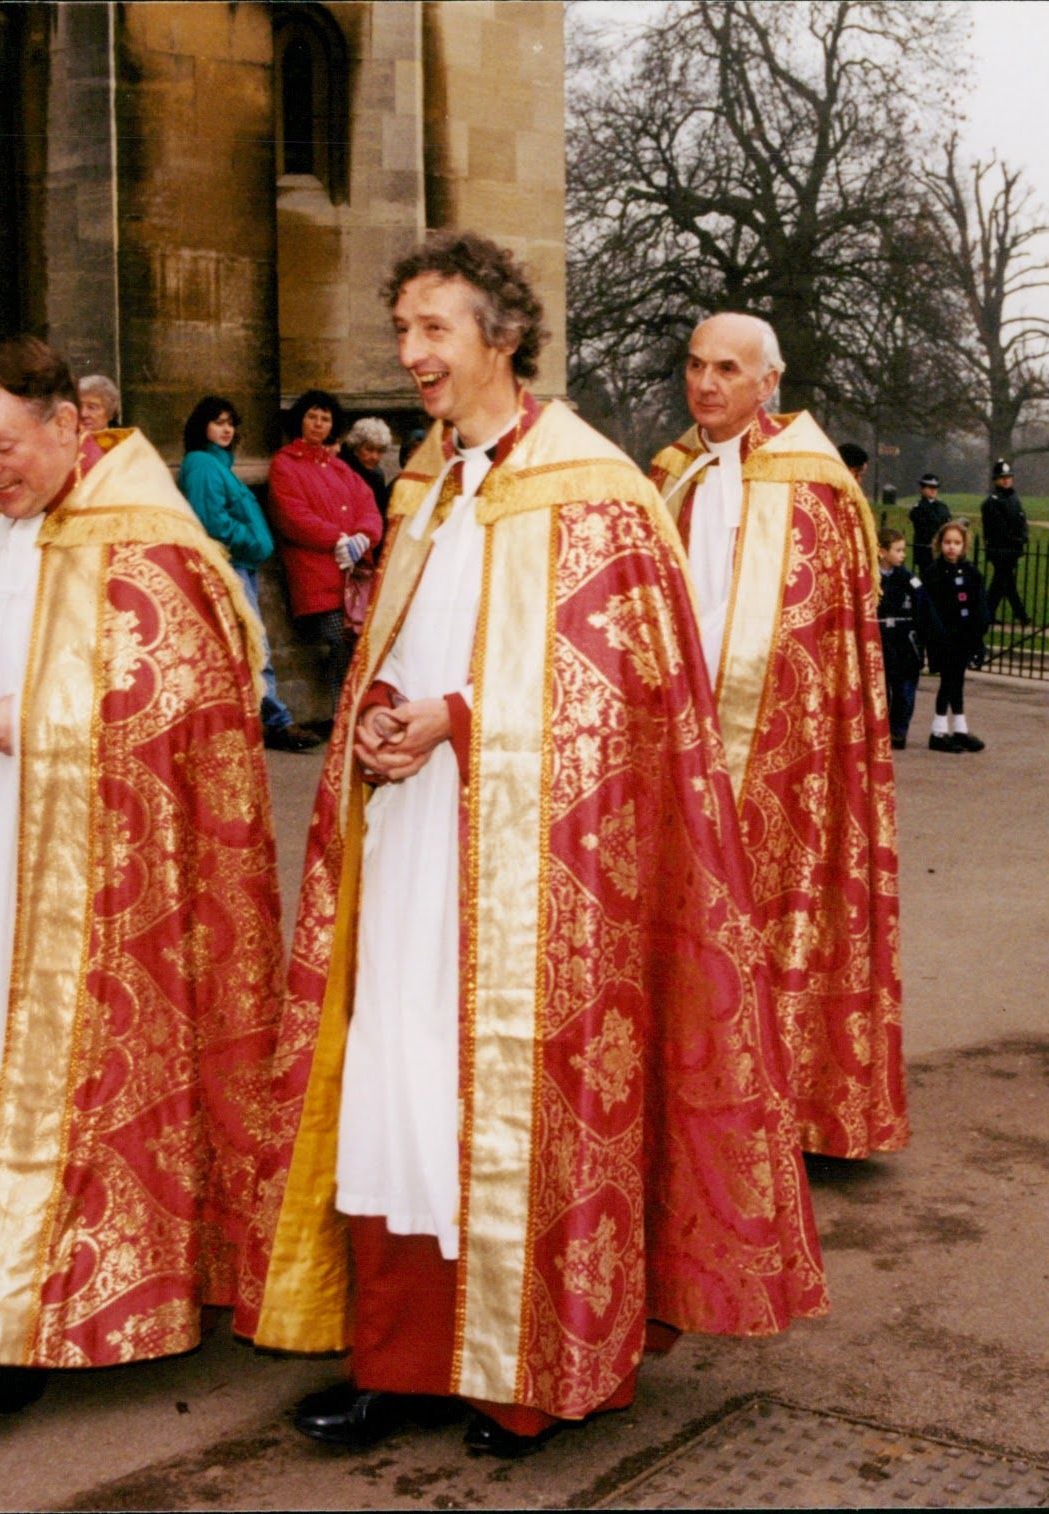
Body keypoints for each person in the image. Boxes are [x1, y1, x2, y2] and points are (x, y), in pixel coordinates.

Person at [262, 237, 827, 1459]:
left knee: (511, 1103)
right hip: (413, 836)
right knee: (398, 1083)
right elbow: (397, 647)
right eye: (403, 329)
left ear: (502, 336)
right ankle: (399, 1356)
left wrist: (459, 719)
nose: (411, 353)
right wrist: (380, 712)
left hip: (540, 872)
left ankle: (534, 1370)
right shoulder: (427, 486)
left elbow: (628, 701)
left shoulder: (595, 491)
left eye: (434, 329)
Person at [0, 334, 283, 1414]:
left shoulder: (145, 540)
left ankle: (31, 1316)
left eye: (3, 446)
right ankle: (7, 1262)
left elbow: (191, 696)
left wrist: (28, 717)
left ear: (68, 423)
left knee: (63, 1077)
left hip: (106, 861)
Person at [648, 312, 907, 1160]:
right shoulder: (671, 474)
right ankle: (690, 1103)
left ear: (769, 382)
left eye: (727, 368)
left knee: (769, 918)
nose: (705, 383)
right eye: (695, 365)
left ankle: (779, 1109)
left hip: (784, 754)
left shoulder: (812, 484)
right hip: (676, 737)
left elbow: (813, 639)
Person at [178, 395, 321, 751]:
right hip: (231, 563)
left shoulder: (217, 465)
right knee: (255, 645)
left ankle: (259, 720)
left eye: (230, 423)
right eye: (218, 422)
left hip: (240, 563)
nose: (226, 429)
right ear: (202, 426)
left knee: (246, 645)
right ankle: (277, 722)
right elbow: (212, 522)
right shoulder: (202, 464)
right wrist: (252, 541)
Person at [267, 387, 383, 726]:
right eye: (312, 417)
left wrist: (364, 536)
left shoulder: (339, 467)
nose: (319, 424)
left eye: (325, 418)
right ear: (300, 421)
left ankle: (349, 713)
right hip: (317, 573)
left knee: (354, 643)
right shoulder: (285, 464)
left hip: (351, 575)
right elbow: (293, 515)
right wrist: (339, 538)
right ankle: (343, 714)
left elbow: (368, 506)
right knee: (341, 641)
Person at [921, 518, 989, 753]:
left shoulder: (971, 572)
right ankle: (938, 731)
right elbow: (929, 608)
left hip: (964, 637)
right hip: (943, 638)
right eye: (947, 542)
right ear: (940, 544)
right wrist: (936, 635)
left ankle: (960, 728)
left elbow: (980, 605)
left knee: (957, 681)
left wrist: (978, 635)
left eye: (957, 543)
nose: (951, 547)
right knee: (948, 681)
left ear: (964, 545)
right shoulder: (933, 573)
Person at [876, 525, 936, 750]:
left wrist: (928, 636)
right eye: (898, 550)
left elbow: (924, 606)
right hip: (881, 638)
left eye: (904, 550)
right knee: (880, 688)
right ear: (882, 552)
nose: (903, 555)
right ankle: (879, 730)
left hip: (904, 641)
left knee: (905, 689)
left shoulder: (909, 579)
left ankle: (898, 731)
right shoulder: (870, 577)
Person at [981, 458, 1031, 626]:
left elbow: (1022, 520)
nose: (1006, 480)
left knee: (1002, 583)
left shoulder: (1014, 499)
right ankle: (1021, 615)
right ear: (996, 480)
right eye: (1002, 478)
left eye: (1008, 477)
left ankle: (987, 614)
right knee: (1004, 582)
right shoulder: (992, 502)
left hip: (1012, 549)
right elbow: (1000, 530)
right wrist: (1019, 539)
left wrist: (1024, 535)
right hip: (1001, 550)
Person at [341, 415, 396, 514]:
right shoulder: (339, 469)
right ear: (356, 448)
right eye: (369, 449)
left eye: (380, 451)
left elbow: (379, 512)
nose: (374, 456)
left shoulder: (377, 476)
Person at [907, 472, 949, 574]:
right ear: (922, 489)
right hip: (925, 550)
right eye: (930, 487)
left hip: (940, 549)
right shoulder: (918, 508)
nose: (933, 490)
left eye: (935, 487)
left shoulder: (942, 506)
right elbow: (926, 525)